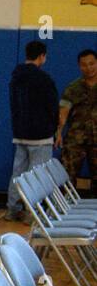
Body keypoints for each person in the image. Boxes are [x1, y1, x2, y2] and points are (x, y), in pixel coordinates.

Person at [6, 40, 59, 221]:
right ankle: (32, 212)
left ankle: (12, 209)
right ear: (42, 56)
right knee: (37, 175)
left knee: (18, 173)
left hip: (20, 133)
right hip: (41, 135)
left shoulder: (15, 78)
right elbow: (52, 107)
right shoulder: (44, 79)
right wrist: (54, 129)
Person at [59, 49, 97, 196]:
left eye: (92, 64)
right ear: (79, 66)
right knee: (67, 176)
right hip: (76, 140)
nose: (89, 68)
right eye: (84, 65)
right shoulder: (72, 88)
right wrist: (59, 132)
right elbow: (63, 112)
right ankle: (64, 210)